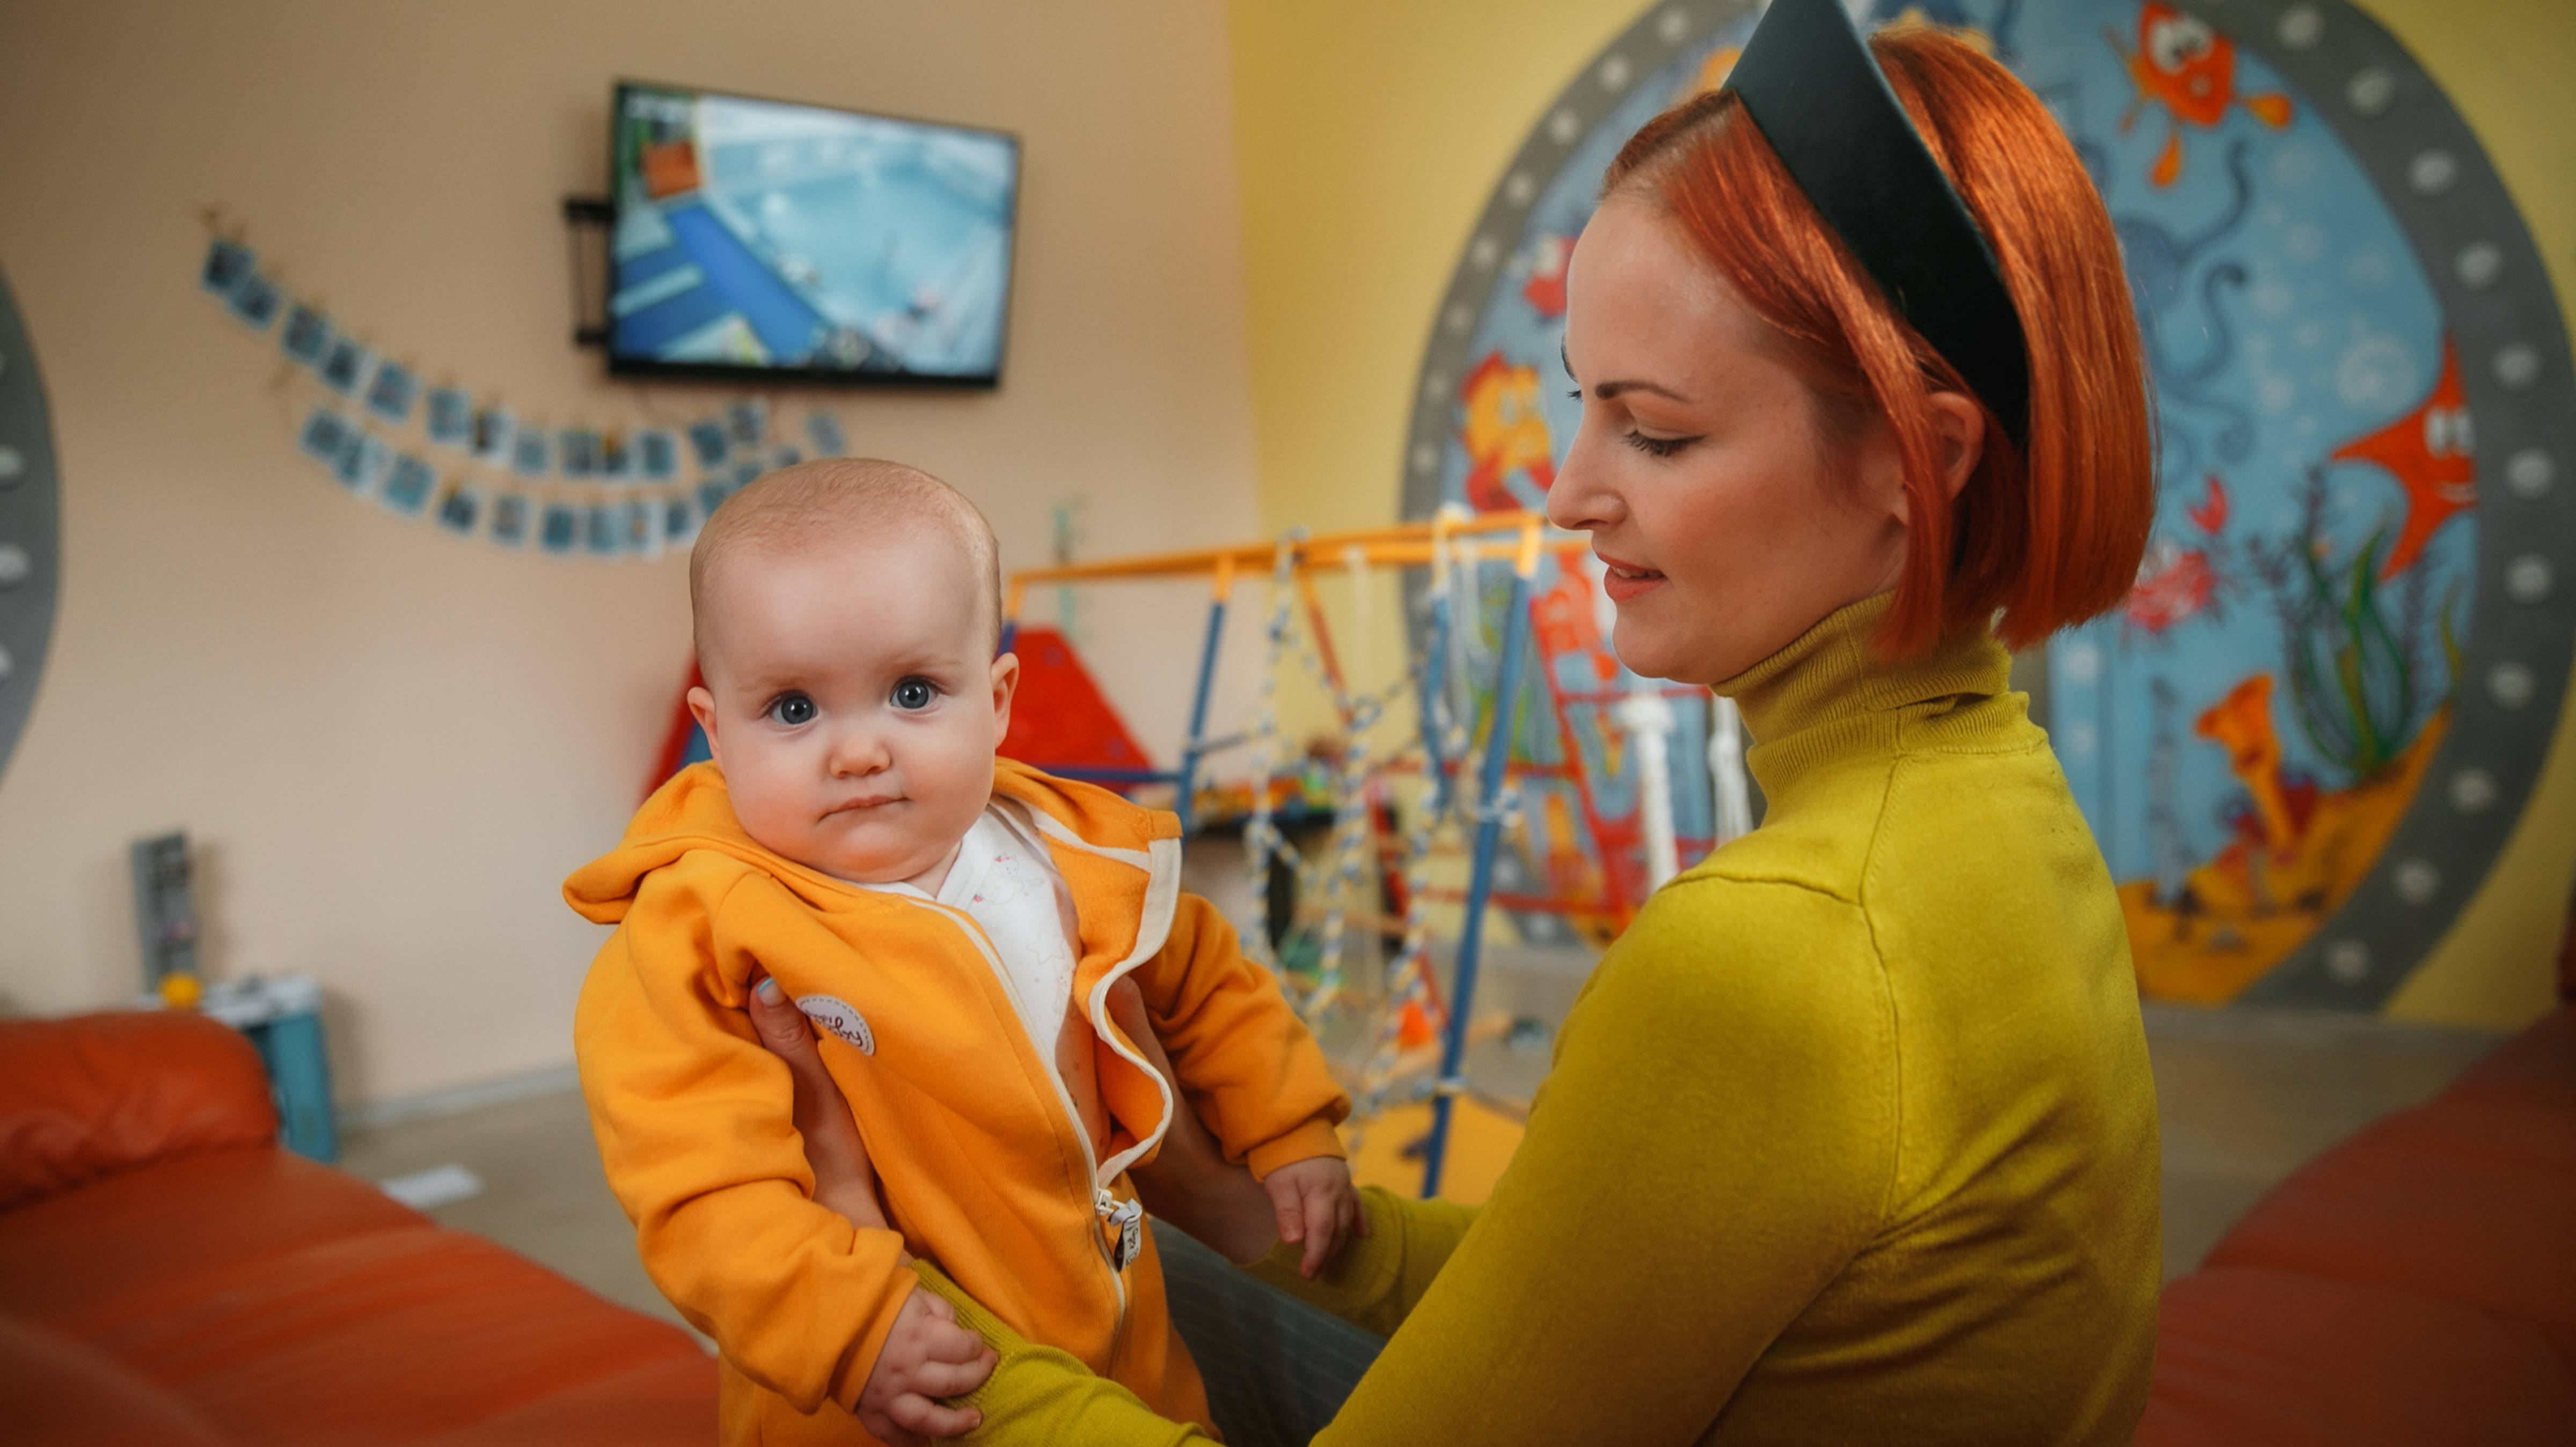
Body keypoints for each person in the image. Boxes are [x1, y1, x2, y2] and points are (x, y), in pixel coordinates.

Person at [751, 6, 2164, 1444]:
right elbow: (1587, 1280)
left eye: (1657, 430)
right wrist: (1222, 1196)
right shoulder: (2012, 811)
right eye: (1582, 406)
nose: (1568, 493)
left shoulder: (1775, 957)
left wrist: (886, 1283)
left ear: (1916, 461)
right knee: (1143, 1265)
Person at [565, 459, 1363, 1446]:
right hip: (894, 1382)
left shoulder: (1072, 854)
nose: (859, 752)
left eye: (912, 691)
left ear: (997, 698)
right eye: (794, 708)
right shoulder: (698, 927)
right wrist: (847, 1324)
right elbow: (698, 1180)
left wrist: (1289, 1128)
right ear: (716, 732)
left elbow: (1209, 985)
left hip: (1123, 1342)